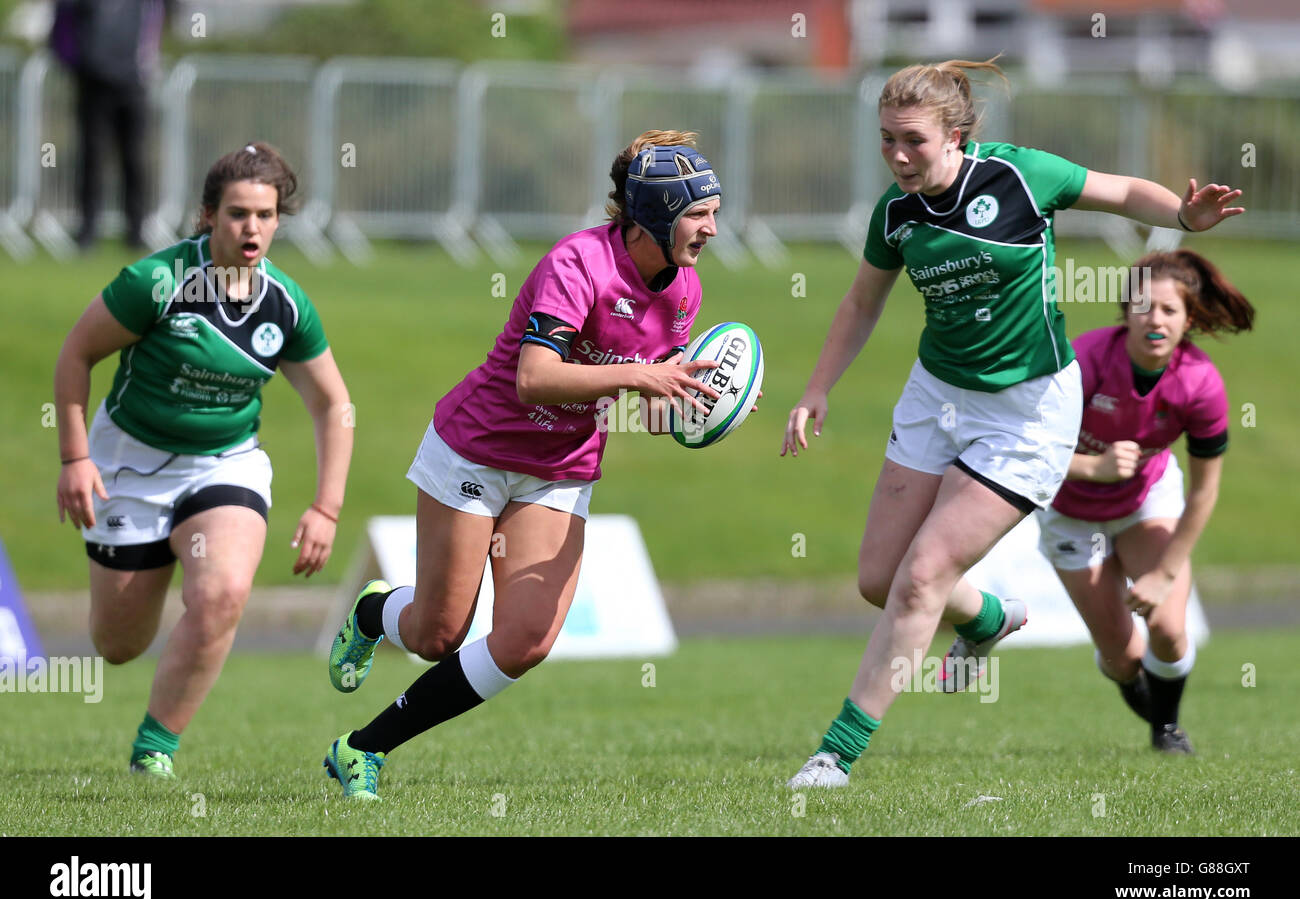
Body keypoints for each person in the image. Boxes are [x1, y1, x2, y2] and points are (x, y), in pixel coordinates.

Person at [780, 57, 1244, 788]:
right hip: (936, 395)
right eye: (886, 139)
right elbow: (862, 301)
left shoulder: (1020, 175)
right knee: (879, 579)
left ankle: (834, 755)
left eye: (913, 140)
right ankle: (987, 617)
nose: (898, 156)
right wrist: (816, 388)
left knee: (921, 579)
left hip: (1028, 411)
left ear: (955, 136)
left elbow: (1120, 191)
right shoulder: (895, 215)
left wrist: (1184, 218)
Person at [321, 130, 729, 801]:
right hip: (477, 447)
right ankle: (374, 614)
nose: (712, 228)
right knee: (437, 634)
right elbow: (534, 378)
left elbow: (655, 407)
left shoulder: (684, 291)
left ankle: (363, 748)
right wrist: (643, 375)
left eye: (714, 212)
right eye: (699, 214)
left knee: (526, 640)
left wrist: (707, 403)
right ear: (656, 214)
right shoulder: (578, 263)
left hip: (561, 466)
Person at [54, 142, 353, 779]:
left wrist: (327, 507)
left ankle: (155, 748)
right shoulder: (156, 283)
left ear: (279, 220)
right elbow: (76, 355)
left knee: (223, 593)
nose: (252, 229)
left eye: (265, 215)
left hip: (224, 464)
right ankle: (158, 548)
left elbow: (334, 405)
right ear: (209, 215)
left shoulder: (286, 304)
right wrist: (75, 457)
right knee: (117, 644)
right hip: (127, 464)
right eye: (238, 213)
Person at [1038, 250, 1253, 754]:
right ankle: (1156, 714)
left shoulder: (1200, 383)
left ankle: (1167, 732)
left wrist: (1163, 573)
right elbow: (1025, 454)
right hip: (1069, 512)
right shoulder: (1083, 362)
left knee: (1170, 631)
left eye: (1169, 310)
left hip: (1144, 501)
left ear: (1189, 320)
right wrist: (1093, 467)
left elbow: (1204, 490)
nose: (1155, 319)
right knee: (1122, 658)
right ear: (1126, 313)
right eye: (1143, 307)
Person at [50, 0, 176, 250]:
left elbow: (159, 22)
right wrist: (77, 64)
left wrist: (147, 66)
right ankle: (87, 230)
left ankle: (136, 231)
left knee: (135, 159)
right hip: (93, 83)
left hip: (133, 84)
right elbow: (62, 27)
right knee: (92, 159)